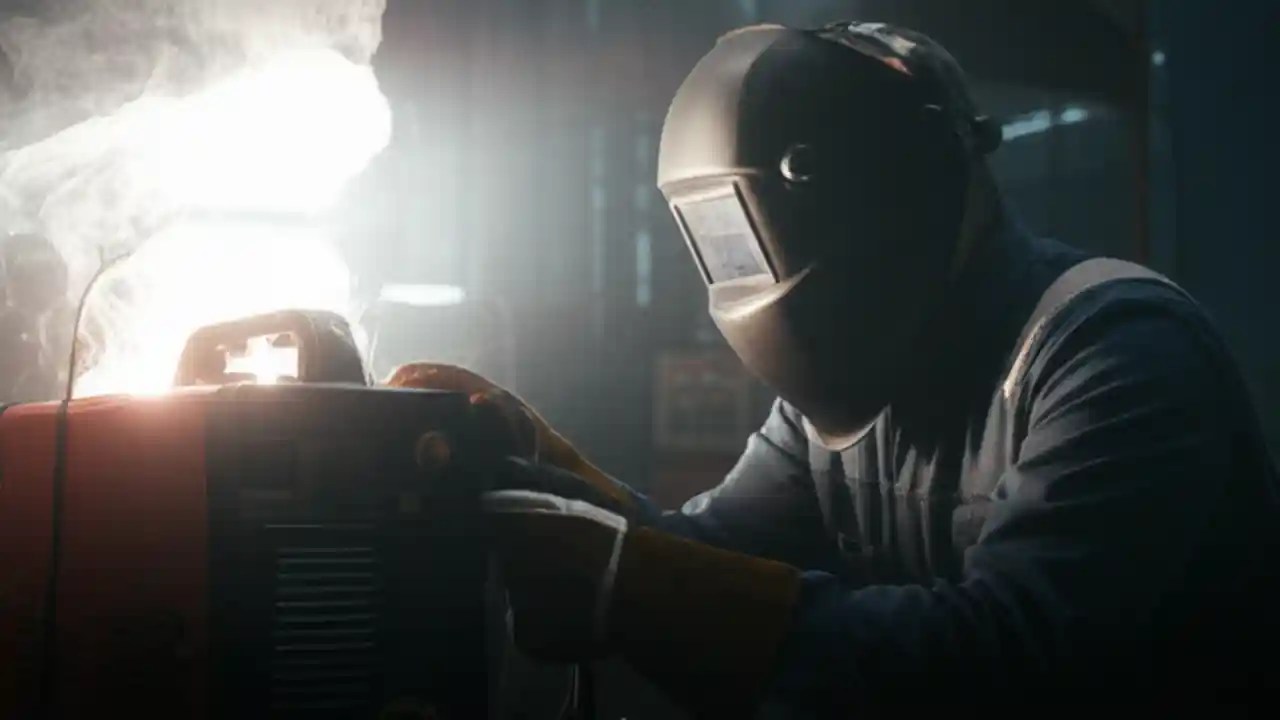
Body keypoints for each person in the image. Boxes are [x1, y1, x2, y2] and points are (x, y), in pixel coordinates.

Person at [394, 22, 1280, 715]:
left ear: (888, 196)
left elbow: (1011, 660)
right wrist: (553, 478)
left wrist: (632, 581)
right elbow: (714, 554)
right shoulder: (843, 397)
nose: (753, 274)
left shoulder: (1114, 354)